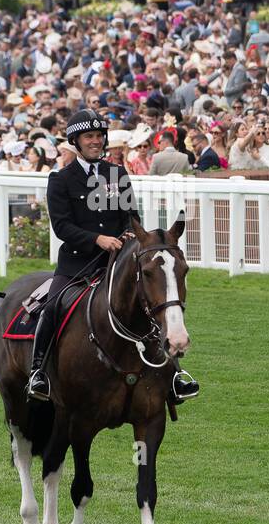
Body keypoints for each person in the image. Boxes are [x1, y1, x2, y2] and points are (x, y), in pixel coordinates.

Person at [27, 109, 197, 404]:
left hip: (118, 261)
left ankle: (174, 374)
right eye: (89, 136)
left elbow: (130, 216)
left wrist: (129, 234)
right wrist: (97, 239)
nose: (95, 141)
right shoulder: (61, 179)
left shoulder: (117, 174)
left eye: (98, 136)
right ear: (76, 141)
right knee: (51, 307)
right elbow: (62, 226)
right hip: (78, 263)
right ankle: (38, 372)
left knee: (151, 303)